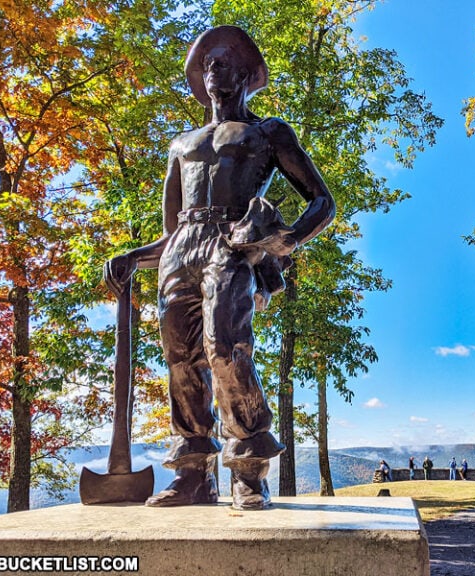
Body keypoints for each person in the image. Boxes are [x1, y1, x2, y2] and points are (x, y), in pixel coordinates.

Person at [104, 26, 335, 510]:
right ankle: (192, 472)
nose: (214, 69)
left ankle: (249, 469)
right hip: (181, 250)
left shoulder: (268, 132)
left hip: (232, 245)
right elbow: (171, 230)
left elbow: (322, 202)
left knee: (226, 347)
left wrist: (286, 240)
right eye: (208, 63)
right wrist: (134, 256)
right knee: (180, 358)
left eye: (225, 62)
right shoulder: (181, 143)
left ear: (248, 75)